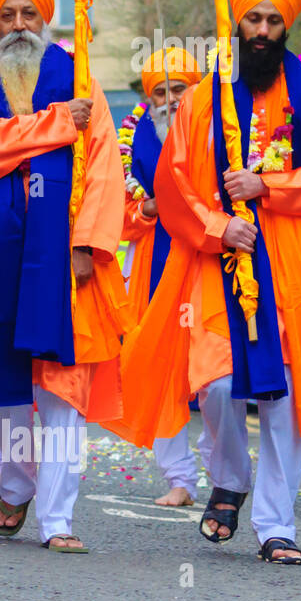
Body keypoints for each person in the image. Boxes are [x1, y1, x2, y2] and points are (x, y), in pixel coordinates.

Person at [119, 0, 301, 564]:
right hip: (220, 257)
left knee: (287, 395)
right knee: (214, 385)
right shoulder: (201, 98)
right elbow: (174, 183)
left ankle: (276, 525)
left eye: (273, 20)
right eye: (253, 18)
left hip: (296, 258)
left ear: (286, 25)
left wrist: (268, 189)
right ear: (236, 22)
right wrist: (220, 226)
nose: (263, 30)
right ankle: (231, 478)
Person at [0, 0, 129, 553]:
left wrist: (85, 246)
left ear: (47, 21)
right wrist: (52, 126)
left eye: (30, 15)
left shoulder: (81, 80)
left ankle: (59, 519)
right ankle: (16, 485)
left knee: (61, 385)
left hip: (65, 256)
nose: (19, 26)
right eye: (7, 17)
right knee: (10, 381)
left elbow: (102, 167)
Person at [117, 46, 211, 506]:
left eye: (180, 89)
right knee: (161, 368)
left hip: (211, 260)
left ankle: (224, 474)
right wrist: (149, 209)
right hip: (155, 262)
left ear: (196, 89)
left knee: (212, 372)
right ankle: (180, 480)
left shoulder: (221, 130)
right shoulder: (136, 137)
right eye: (161, 91)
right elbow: (120, 208)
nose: (171, 99)